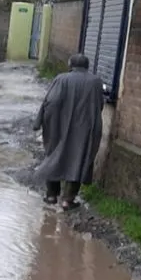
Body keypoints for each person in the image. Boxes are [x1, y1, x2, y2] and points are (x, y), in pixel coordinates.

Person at [33, 53, 105, 211]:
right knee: (79, 159)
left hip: (58, 126)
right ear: (87, 66)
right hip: (85, 128)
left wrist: (40, 122)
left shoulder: (61, 79)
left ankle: (51, 195)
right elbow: (100, 104)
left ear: (70, 65)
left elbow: (50, 101)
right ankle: (68, 199)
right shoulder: (96, 81)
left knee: (54, 155)